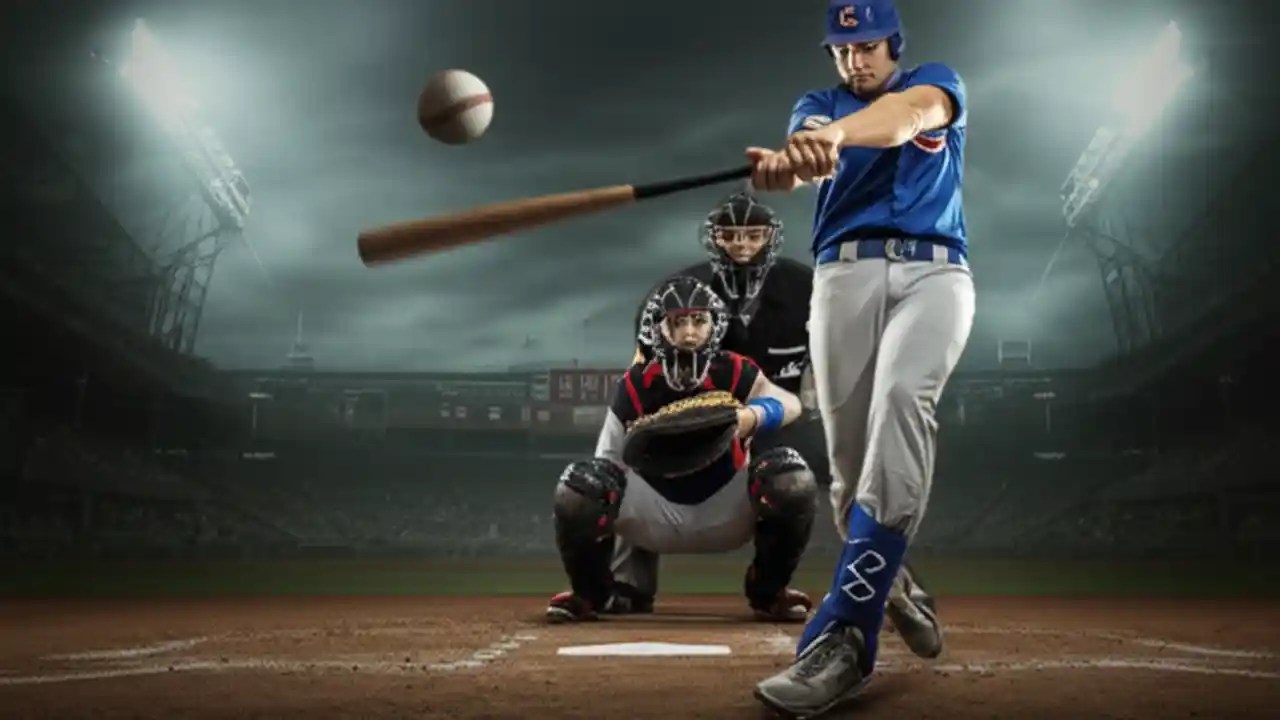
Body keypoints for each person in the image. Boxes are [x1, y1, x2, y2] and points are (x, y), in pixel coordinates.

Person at [748, 1, 976, 717]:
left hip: (936, 273)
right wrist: (792, 162)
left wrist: (834, 139)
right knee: (848, 481)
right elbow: (803, 156)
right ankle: (894, 578)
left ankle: (847, 632)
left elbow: (909, 118)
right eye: (843, 49)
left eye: (869, 45)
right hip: (842, 275)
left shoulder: (935, 82)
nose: (856, 60)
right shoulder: (814, 106)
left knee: (906, 400)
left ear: (895, 46)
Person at [619, 192, 946, 663]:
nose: (742, 244)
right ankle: (627, 585)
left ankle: (893, 584)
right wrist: (661, 419)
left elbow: (840, 360)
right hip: (702, 416)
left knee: (851, 474)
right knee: (642, 450)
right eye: (731, 234)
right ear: (714, 239)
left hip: (782, 412)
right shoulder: (681, 291)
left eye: (752, 234)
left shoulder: (804, 287)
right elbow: (641, 372)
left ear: (770, 237)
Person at [545, 276, 818, 624]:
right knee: (580, 487)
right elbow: (607, 465)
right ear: (659, 328)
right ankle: (590, 593)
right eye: (678, 322)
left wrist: (752, 416)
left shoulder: (734, 370)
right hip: (652, 513)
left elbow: (790, 403)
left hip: (728, 510)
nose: (689, 333)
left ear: (714, 326)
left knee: (790, 477)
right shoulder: (635, 384)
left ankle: (768, 591)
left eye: (698, 321)